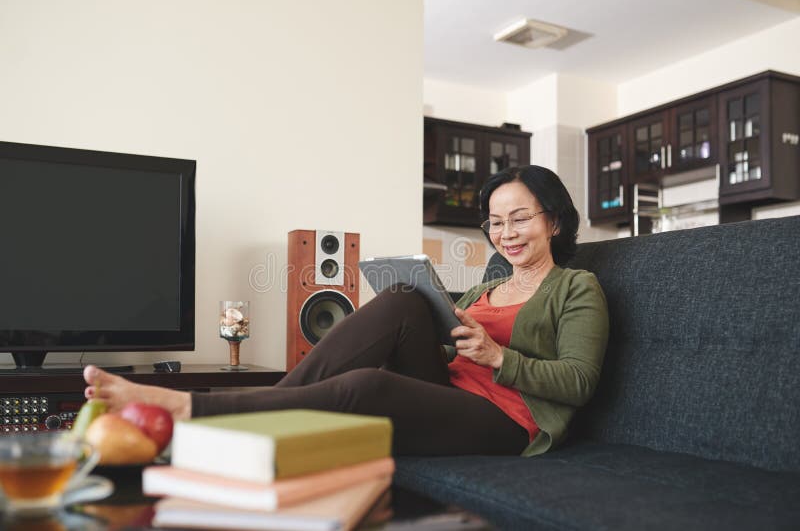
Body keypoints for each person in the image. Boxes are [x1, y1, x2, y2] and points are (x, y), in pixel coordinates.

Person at [83, 165, 609, 457]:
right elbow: (453, 351)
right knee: (404, 298)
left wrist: (497, 356)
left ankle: (186, 412)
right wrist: (452, 333)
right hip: (449, 395)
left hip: (508, 423)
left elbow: (579, 382)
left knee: (366, 386)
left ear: (555, 221)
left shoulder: (577, 287)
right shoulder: (484, 288)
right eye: (496, 223)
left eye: (519, 219)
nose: (506, 234)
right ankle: (262, 414)